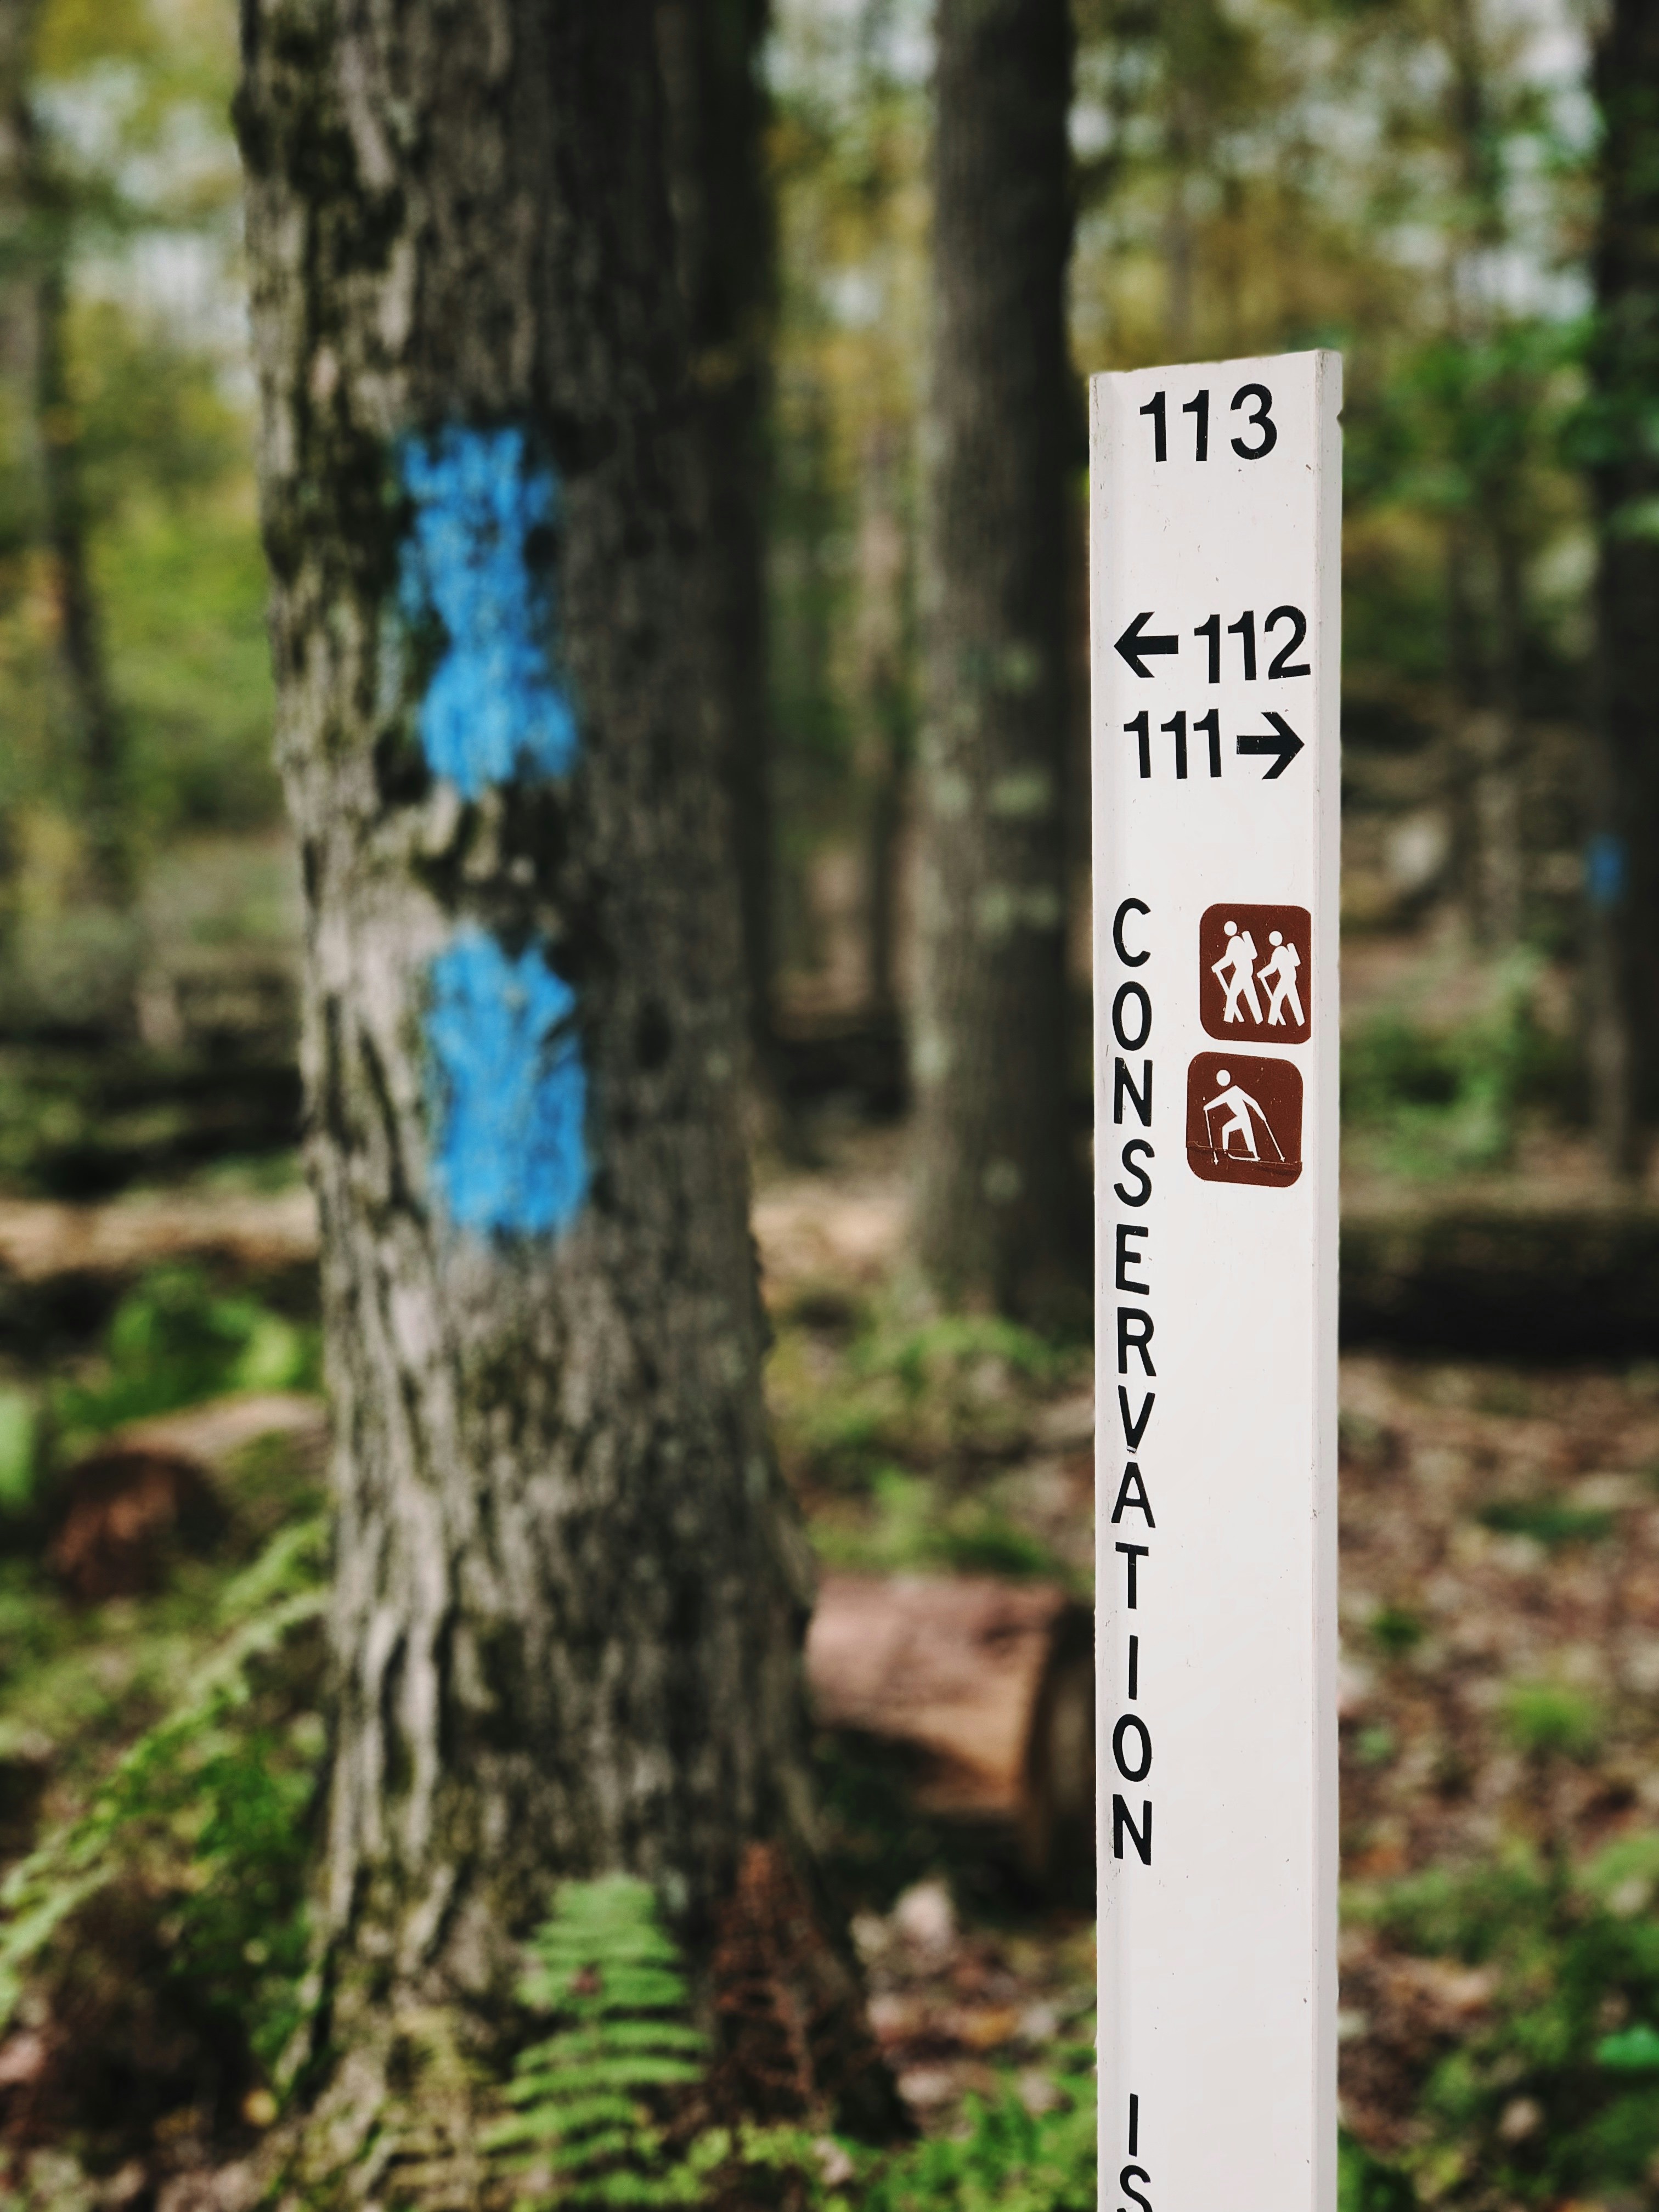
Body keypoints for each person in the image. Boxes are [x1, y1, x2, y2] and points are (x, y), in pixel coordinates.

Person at [1201, 1068, 1277, 1161]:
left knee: (1233, 1132)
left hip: (1243, 1118)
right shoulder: (1228, 1094)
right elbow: (1217, 1102)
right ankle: (1235, 1153)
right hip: (1243, 1118)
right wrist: (1207, 1107)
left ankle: (1229, 1152)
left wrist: (1262, 1116)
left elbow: (1253, 1102)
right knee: (1234, 1133)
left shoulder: (1235, 1091)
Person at [1210, 919, 1261, 1024]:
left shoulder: (1234, 942)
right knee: (1251, 996)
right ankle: (1259, 1020)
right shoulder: (1241, 940)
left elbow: (1229, 960)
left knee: (1232, 995)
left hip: (1242, 972)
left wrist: (1216, 967)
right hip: (1248, 971)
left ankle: (1228, 1021)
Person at [1260, 928, 1304, 1028]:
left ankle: (1272, 1023)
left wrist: (1262, 973)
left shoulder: (1279, 951)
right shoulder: (1284, 950)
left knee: (1277, 997)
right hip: (1291, 977)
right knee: (1293, 999)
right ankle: (1301, 1022)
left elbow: (1273, 967)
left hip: (1287, 978)